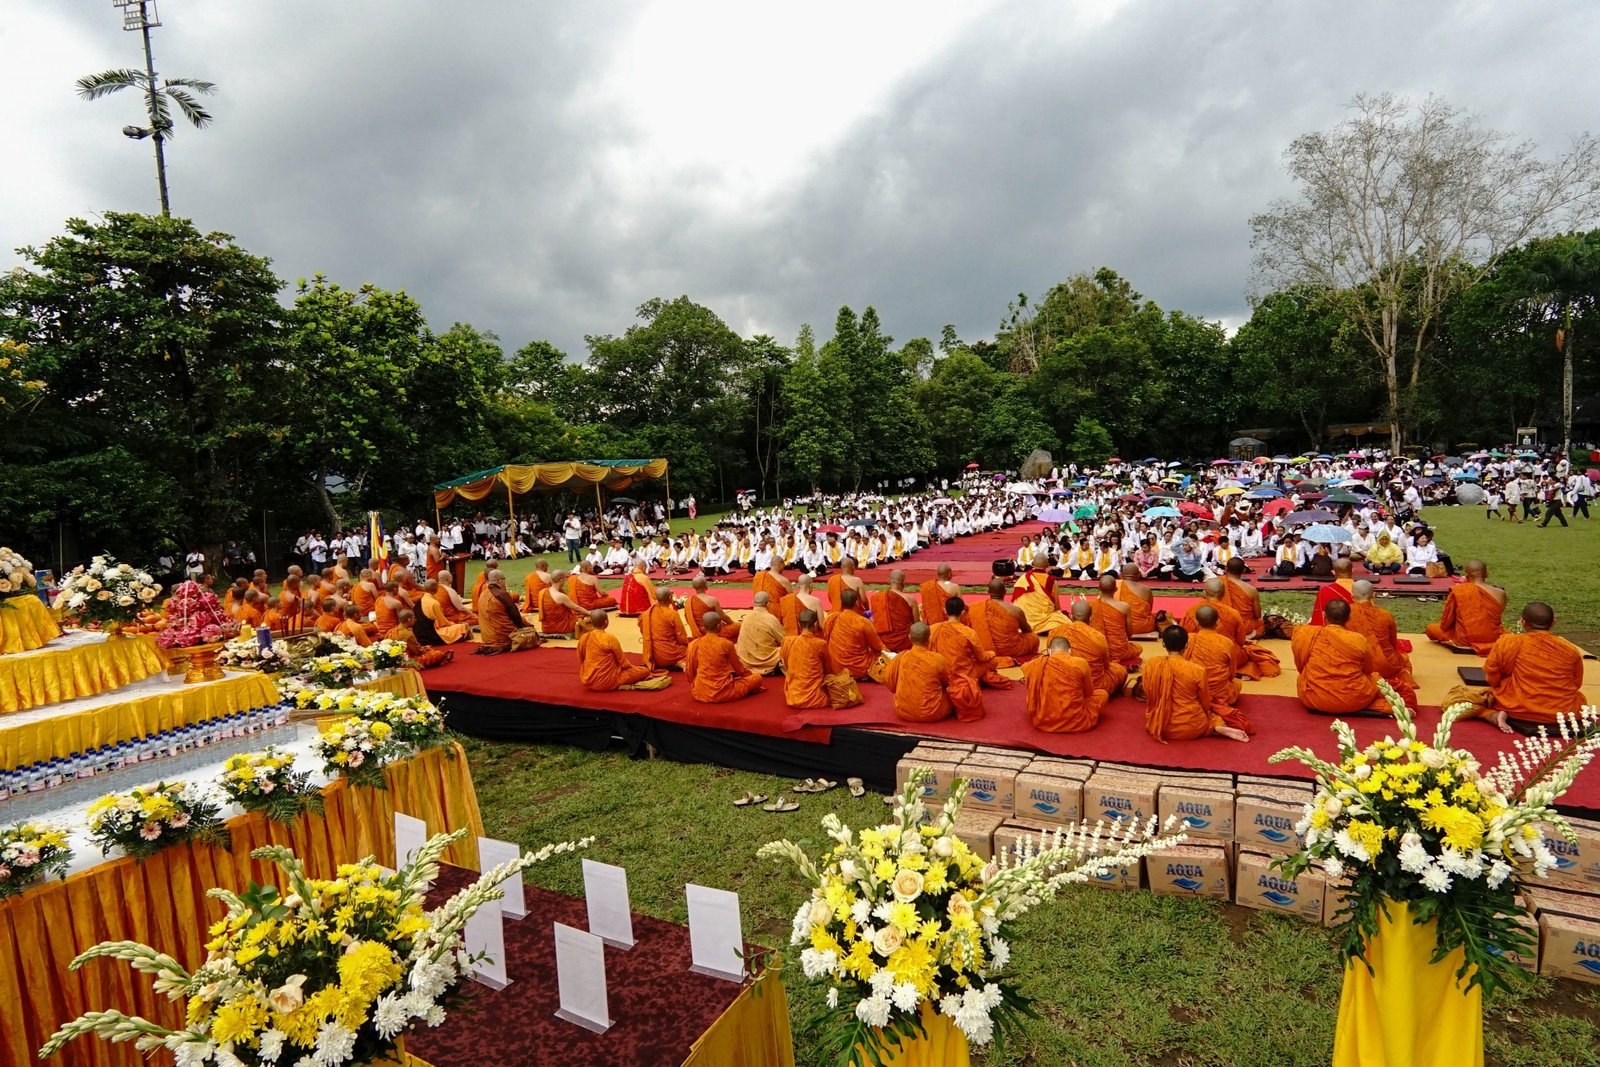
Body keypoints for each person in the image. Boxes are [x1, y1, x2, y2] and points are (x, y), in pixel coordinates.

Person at [1474, 602, 1588, 733]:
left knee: (1463, 697)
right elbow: (1576, 683)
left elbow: (1492, 678)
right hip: (1564, 712)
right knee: (1579, 697)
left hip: (1517, 708)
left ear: (1523, 622)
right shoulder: (1570, 650)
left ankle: (1493, 715)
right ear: (1553, 622)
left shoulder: (1509, 643)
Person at [1138, 627, 1250, 742]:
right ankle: (1216, 726)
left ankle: (1215, 727)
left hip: (1159, 723)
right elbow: (1205, 703)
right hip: (1193, 726)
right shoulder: (1197, 670)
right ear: (1186, 645)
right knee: (1212, 712)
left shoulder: (1151, 665)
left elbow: (1148, 693)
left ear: (1163, 644)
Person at [1291, 600, 1389, 714]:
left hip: (1314, 697)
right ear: (1349, 619)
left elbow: (1301, 664)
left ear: (1324, 615)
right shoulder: (1359, 640)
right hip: (1354, 700)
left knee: (1302, 678)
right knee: (1376, 677)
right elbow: (1368, 669)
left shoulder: (1306, 633)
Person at [1181, 578, 1280, 679]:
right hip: (1229, 656)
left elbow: (1183, 638)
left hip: (1197, 658)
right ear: (1224, 594)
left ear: (1204, 592)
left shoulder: (1192, 611)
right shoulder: (1233, 614)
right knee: (1245, 652)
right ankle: (1231, 671)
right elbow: (1241, 641)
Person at [1182, 606, 1254, 735]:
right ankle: (1215, 714)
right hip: (1220, 695)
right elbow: (1231, 675)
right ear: (1218, 622)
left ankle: (1210, 717)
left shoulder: (1188, 639)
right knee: (1237, 684)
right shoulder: (1226, 643)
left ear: (1196, 622)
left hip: (1193, 693)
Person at [884, 622, 975, 723]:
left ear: (909, 637)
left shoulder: (900, 657)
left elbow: (890, 683)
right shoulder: (937, 659)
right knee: (954, 693)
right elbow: (948, 683)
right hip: (933, 712)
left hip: (903, 711)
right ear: (929, 638)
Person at [1347, 580, 1418, 708]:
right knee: (1404, 659)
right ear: (1373, 595)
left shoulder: (1346, 614)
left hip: (1358, 667)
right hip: (1386, 666)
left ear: (1352, 596)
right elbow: (1392, 643)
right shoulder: (1385, 615)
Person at [1023, 635, 1106, 733]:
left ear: (1049, 651)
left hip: (1043, 722)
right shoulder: (1080, 663)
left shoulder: (1034, 665)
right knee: (1102, 694)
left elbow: (1032, 692)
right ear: (1070, 651)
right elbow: (1089, 693)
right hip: (1078, 723)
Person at [1424, 559, 1506, 654]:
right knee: (1505, 632)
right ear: (1487, 574)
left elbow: (1446, 623)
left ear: (1466, 576)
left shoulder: (1460, 591)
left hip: (1464, 641)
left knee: (1431, 628)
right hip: (1492, 638)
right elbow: (1496, 616)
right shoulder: (1500, 593)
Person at [1046, 600, 1127, 695]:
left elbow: (1050, 656)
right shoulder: (1098, 637)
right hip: (1093, 687)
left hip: (1061, 681)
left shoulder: (1055, 632)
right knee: (1120, 670)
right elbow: (1106, 667)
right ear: (1091, 618)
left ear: (1071, 616)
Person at [685, 611, 764, 702]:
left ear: (704, 626)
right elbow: (740, 670)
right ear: (719, 626)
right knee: (757, 678)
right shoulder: (726, 644)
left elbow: (691, 670)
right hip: (722, 691)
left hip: (700, 691)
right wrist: (750, 678)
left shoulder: (694, 644)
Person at [576, 610, 657, 691]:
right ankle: (619, 685)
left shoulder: (584, 637)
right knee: (644, 671)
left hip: (588, 681)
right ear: (606, 622)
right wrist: (634, 669)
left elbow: (581, 659)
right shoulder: (609, 638)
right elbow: (623, 663)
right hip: (608, 681)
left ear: (591, 622)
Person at [823, 588, 887, 679]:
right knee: (881, 656)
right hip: (859, 668)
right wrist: (887, 651)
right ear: (857, 602)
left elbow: (825, 639)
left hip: (837, 667)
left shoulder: (832, 618)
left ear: (841, 602)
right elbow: (877, 647)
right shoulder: (863, 622)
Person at [971, 577, 1042, 659]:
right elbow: (1027, 630)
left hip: (983, 648)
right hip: (1010, 649)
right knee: (1034, 638)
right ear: (1005, 592)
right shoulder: (1016, 610)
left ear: (988, 592)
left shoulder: (975, 607)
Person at [1090, 575, 1143, 672]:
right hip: (1120, 650)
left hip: (1097, 650)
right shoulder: (1124, 607)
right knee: (1138, 648)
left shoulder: (1091, 605)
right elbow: (1129, 633)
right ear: (1116, 589)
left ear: (1098, 588)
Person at [735, 591, 788, 675]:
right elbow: (784, 641)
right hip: (768, 660)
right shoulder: (771, 619)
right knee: (791, 648)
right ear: (767, 604)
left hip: (747, 661)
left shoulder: (746, 618)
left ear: (753, 602)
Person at [869, 569, 921, 652]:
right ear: (904, 582)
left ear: (888, 581)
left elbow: (875, 620)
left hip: (883, 643)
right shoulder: (910, 600)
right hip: (904, 644)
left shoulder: (877, 598)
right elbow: (917, 624)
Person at [640, 587, 690, 670]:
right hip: (670, 654)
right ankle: (678, 662)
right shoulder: (672, 614)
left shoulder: (647, 613)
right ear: (670, 598)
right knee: (694, 649)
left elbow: (644, 631)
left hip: (651, 655)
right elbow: (682, 638)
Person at [1221, 557, 1265, 640]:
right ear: (1244, 570)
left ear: (1226, 569)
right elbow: (1257, 615)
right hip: (1244, 627)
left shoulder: (1217, 584)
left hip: (1223, 625)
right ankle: (1247, 637)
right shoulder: (1251, 590)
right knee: (1261, 623)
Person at [1309, 557, 1356, 625]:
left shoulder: (1325, 590)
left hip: (1331, 630)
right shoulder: (1363, 590)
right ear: (1352, 570)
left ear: (1333, 572)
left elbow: (1319, 618)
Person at [1115, 565, 1157, 635]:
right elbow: (1149, 610)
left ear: (1121, 575)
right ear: (1138, 575)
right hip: (1142, 627)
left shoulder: (1114, 585)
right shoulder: (1146, 589)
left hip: (1119, 627)